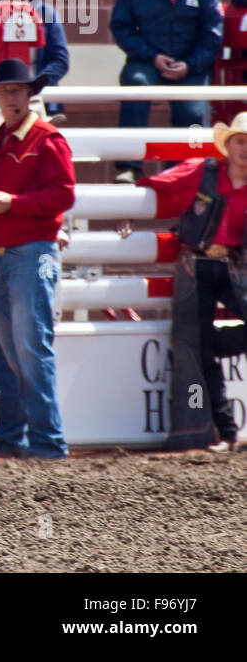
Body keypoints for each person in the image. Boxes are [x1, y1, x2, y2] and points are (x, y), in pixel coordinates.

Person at [0, 59, 75, 460]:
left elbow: (63, 196)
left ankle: (46, 443)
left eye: (17, 91)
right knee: (17, 353)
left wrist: (14, 204)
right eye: (4, 91)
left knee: (27, 350)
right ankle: (28, 441)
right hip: (3, 255)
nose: (10, 97)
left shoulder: (45, 139)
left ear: (29, 95)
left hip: (25, 255)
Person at [127, 113, 247, 452]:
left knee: (197, 347)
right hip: (196, 263)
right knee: (194, 351)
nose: (244, 149)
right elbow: (158, 184)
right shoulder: (200, 171)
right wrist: (130, 201)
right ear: (228, 145)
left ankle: (210, 345)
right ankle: (224, 430)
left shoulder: (206, 172)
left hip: (231, 266)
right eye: (240, 141)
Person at [110, 0, 223, 184]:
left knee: (192, 112)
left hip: (190, 65)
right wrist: (152, 56)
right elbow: (120, 27)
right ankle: (129, 165)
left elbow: (212, 33)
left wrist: (190, 65)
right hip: (147, 61)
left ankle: (185, 169)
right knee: (135, 84)